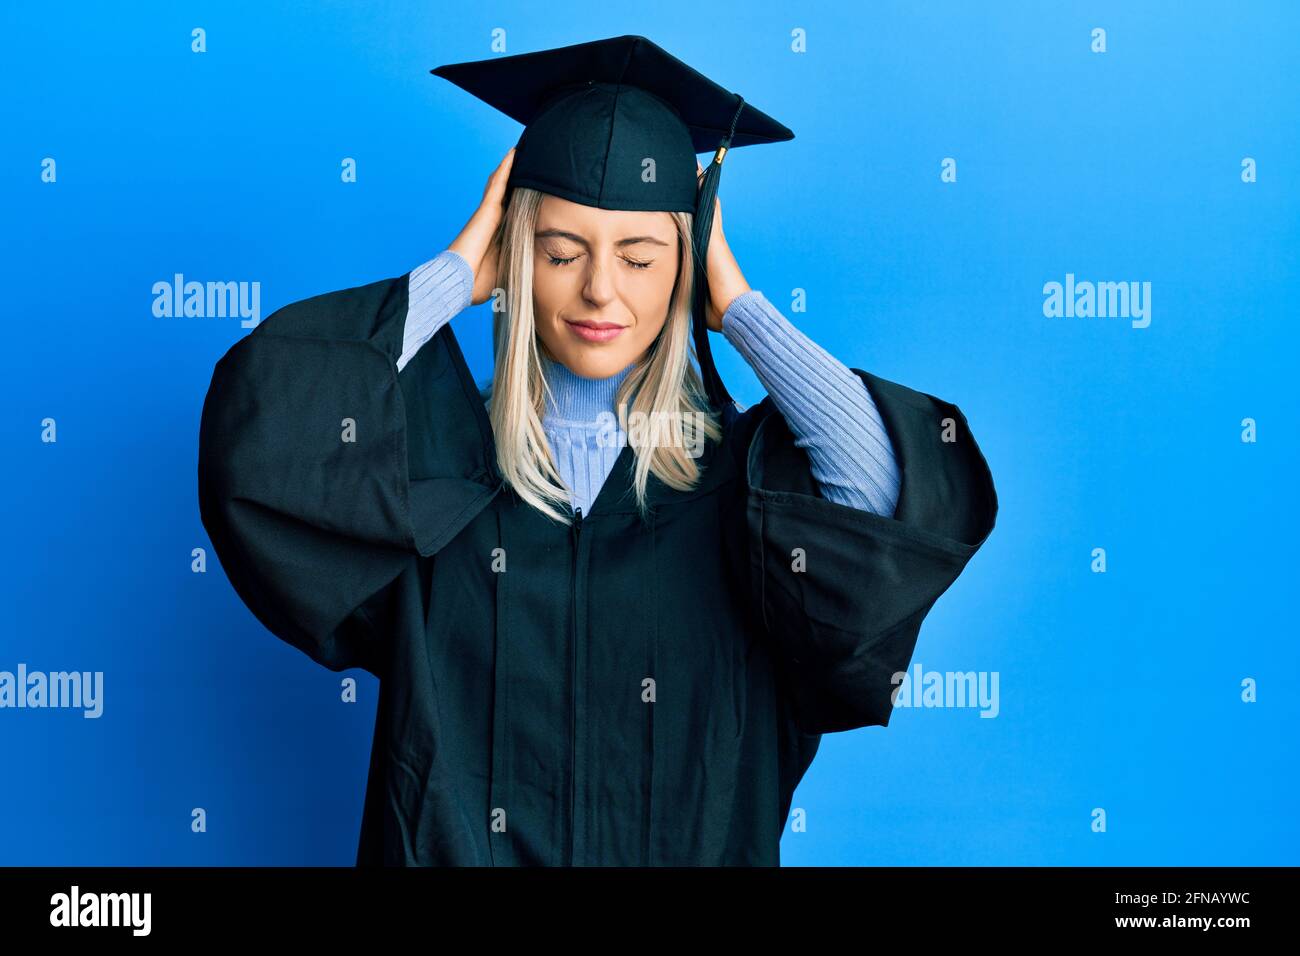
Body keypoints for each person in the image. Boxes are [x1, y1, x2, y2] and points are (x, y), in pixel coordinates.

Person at [197, 35, 997, 866]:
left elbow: (891, 497)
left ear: (684, 266)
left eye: (641, 256)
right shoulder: (434, 479)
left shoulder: (738, 498)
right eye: (560, 252)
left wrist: (738, 306)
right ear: (518, 259)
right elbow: (257, 448)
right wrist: (456, 272)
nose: (600, 290)